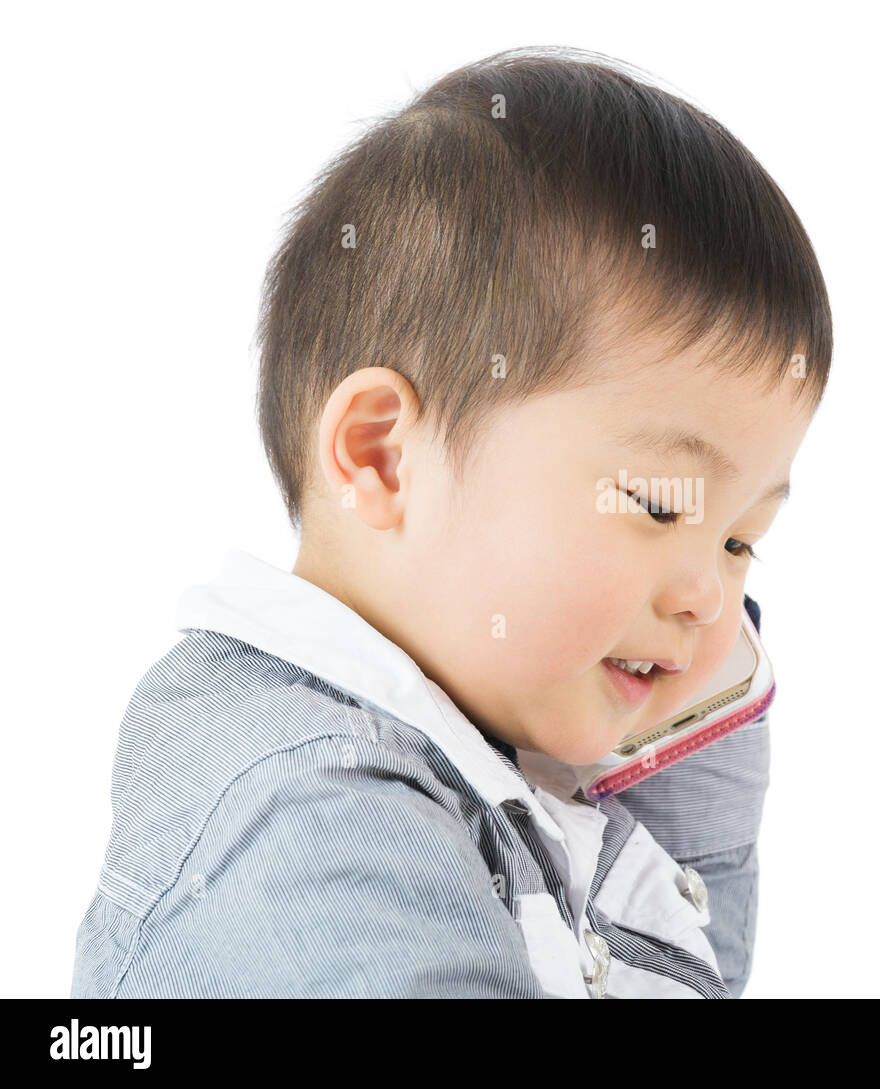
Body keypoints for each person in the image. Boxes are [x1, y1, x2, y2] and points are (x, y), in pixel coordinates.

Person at [70, 44, 832, 998]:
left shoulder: (509, 751)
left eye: (738, 540)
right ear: (384, 457)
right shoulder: (309, 809)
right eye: (657, 502)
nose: (708, 597)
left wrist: (688, 720)